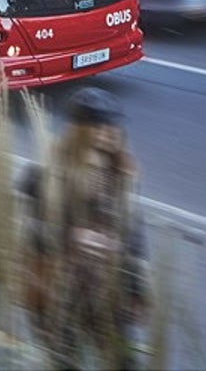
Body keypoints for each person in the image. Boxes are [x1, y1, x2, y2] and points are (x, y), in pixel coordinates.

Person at [17, 87, 147, 369]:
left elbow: (135, 235)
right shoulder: (47, 176)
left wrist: (137, 287)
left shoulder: (121, 175)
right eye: (98, 128)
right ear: (79, 132)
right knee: (64, 360)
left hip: (107, 288)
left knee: (123, 361)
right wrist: (69, 237)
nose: (107, 135)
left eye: (111, 127)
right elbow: (33, 234)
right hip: (59, 290)